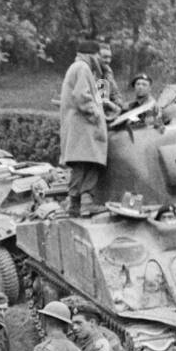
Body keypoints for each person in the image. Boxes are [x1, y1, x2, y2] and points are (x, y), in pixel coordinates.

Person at [59, 38, 109, 219]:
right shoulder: (83, 68)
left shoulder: (76, 67)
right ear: (91, 54)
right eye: (97, 54)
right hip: (84, 126)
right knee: (89, 163)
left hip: (79, 126)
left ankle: (75, 206)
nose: (99, 58)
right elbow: (82, 96)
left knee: (83, 164)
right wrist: (96, 114)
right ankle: (86, 204)